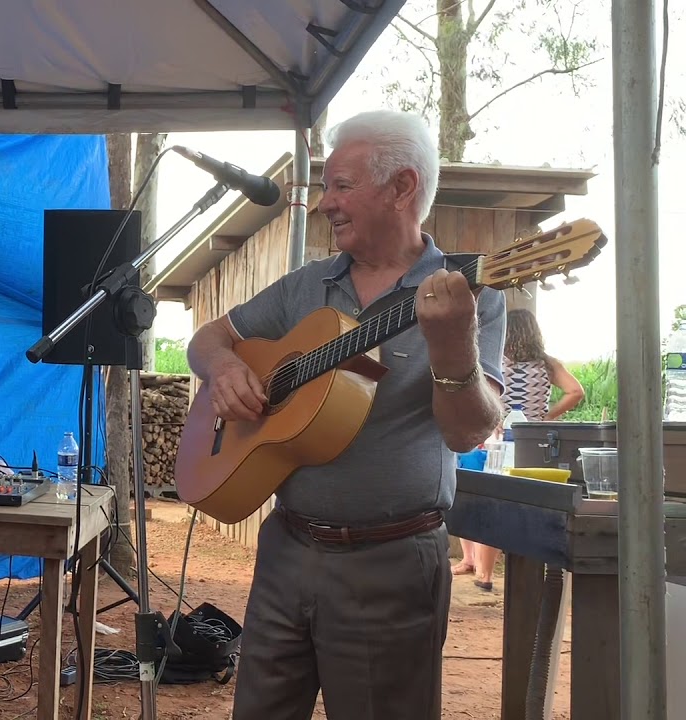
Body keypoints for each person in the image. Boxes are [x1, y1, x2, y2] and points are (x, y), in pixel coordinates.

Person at [186, 110, 507, 720]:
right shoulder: (305, 286)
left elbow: (466, 432)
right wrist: (224, 369)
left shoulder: (472, 295)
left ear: (402, 187)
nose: (324, 202)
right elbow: (208, 338)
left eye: (341, 185)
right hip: (286, 549)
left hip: (391, 565)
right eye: (326, 186)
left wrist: (452, 348)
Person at [452, 307, 584, 589]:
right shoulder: (548, 365)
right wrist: (547, 416)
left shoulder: (497, 362)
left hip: (493, 441)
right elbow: (576, 391)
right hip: (532, 444)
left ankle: (481, 570)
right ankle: (478, 566)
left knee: (479, 500)